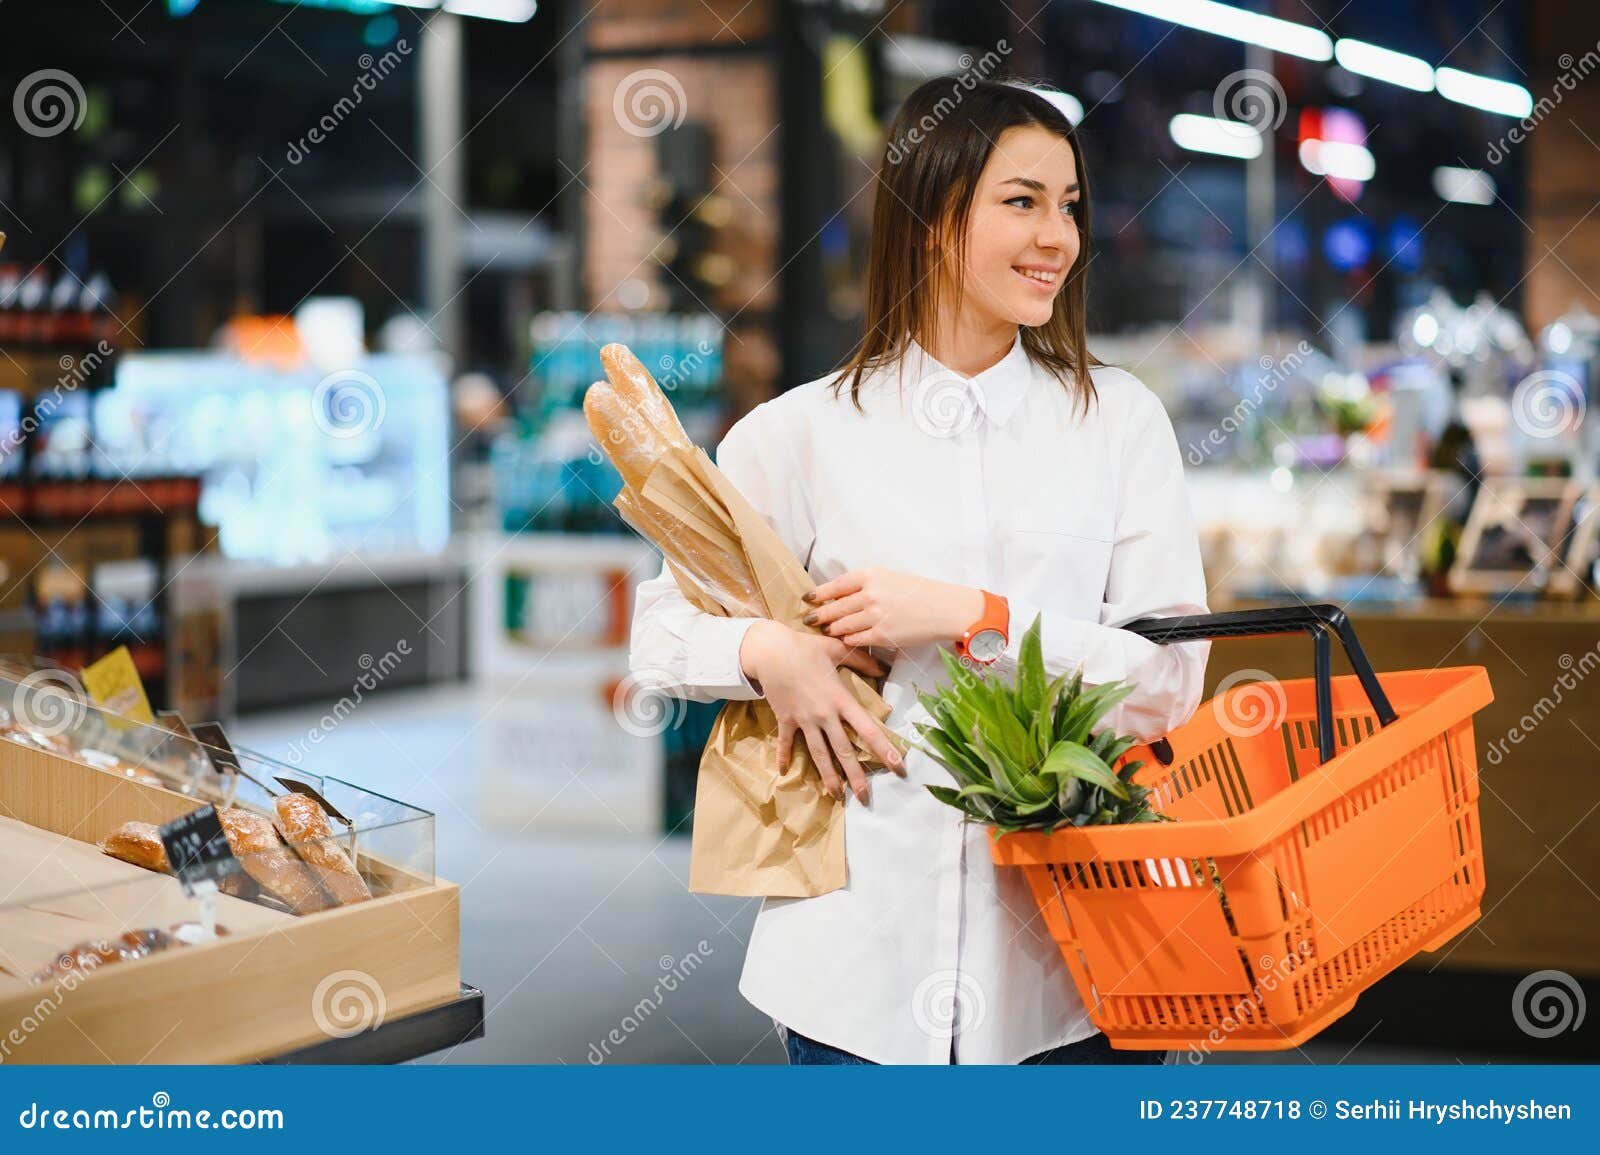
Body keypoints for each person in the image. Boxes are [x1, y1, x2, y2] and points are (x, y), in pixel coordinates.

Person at [629, 77, 1210, 1065]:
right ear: (932, 217)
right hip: (854, 968)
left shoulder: (1117, 424)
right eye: (1021, 201)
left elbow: (1165, 683)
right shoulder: (799, 433)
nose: (1057, 237)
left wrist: (970, 617)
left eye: (1068, 206)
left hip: (1070, 975)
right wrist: (774, 652)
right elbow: (657, 632)